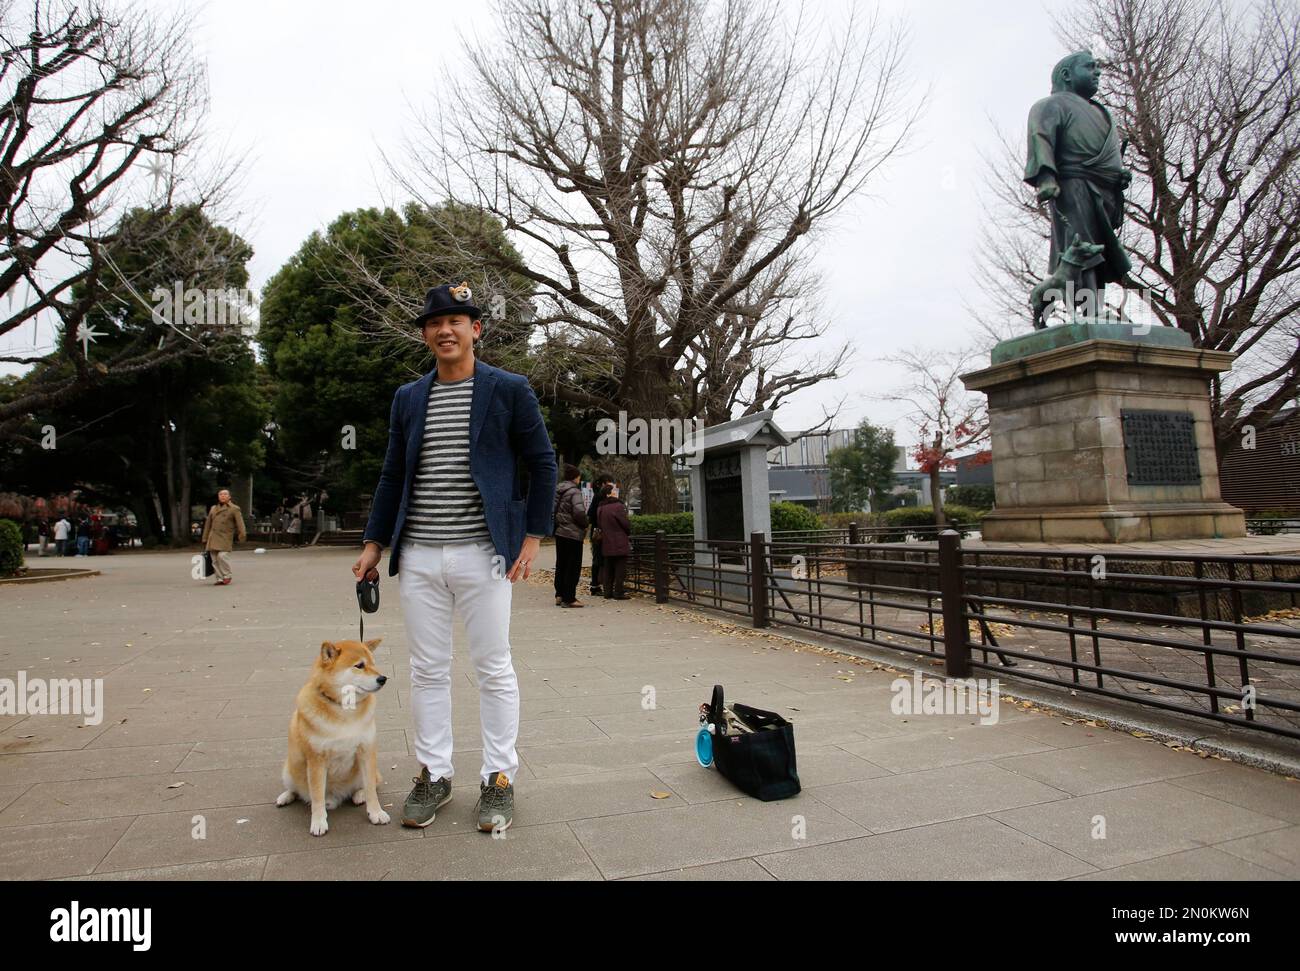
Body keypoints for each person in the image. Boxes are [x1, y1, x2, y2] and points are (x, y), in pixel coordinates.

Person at [352, 280, 556, 834]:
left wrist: (533, 537)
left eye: (457, 321)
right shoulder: (408, 398)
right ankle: (434, 773)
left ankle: (499, 779)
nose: (445, 330)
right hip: (417, 555)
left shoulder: (508, 389)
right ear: (425, 334)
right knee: (427, 670)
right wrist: (375, 544)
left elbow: (542, 462)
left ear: (475, 330)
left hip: (486, 554)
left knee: (493, 666)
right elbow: (394, 473)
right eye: (435, 323)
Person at [1024, 50, 1133, 323]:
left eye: (1099, 68)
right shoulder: (1049, 106)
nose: (1097, 72)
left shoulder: (1101, 111)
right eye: (1090, 67)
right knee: (1079, 244)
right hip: (1072, 185)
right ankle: (1087, 309)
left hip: (1104, 190)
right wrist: (1046, 177)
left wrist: (1118, 176)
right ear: (1066, 75)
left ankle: (1094, 305)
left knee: (1100, 250)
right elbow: (1041, 139)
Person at [552, 464, 589, 608]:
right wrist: (585, 523)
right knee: (572, 566)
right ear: (576, 477)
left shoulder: (558, 490)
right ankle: (569, 597)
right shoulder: (575, 492)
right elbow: (579, 512)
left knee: (561, 564)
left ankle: (559, 594)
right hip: (573, 534)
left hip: (560, 532)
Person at [201, 488, 247, 585]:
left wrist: (242, 535)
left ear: (229, 497)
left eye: (225, 494)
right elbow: (208, 524)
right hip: (213, 537)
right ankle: (219, 578)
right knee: (214, 559)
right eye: (220, 494)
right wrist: (204, 537)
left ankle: (227, 575)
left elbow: (240, 524)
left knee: (222, 556)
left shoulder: (234, 508)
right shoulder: (213, 508)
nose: (223, 496)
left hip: (225, 537)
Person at [596, 482, 632, 600]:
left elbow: (599, 524)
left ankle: (607, 592)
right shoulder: (618, 506)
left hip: (606, 541)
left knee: (608, 568)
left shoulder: (600, 507)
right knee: (620, 568)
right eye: (614, 490)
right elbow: (626, 524)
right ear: (609, 494)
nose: (616, 492)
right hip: (619, 541)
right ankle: (618, 592)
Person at [586, 474, 612, 596]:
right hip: (599, 532)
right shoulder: (599, 497)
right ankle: (595, 585)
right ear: (602, 484)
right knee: (598, 558)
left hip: (598, 531)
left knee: (599, 558)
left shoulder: (600, 496)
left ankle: (598, 584)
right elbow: (591, 514)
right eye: (608, 483)